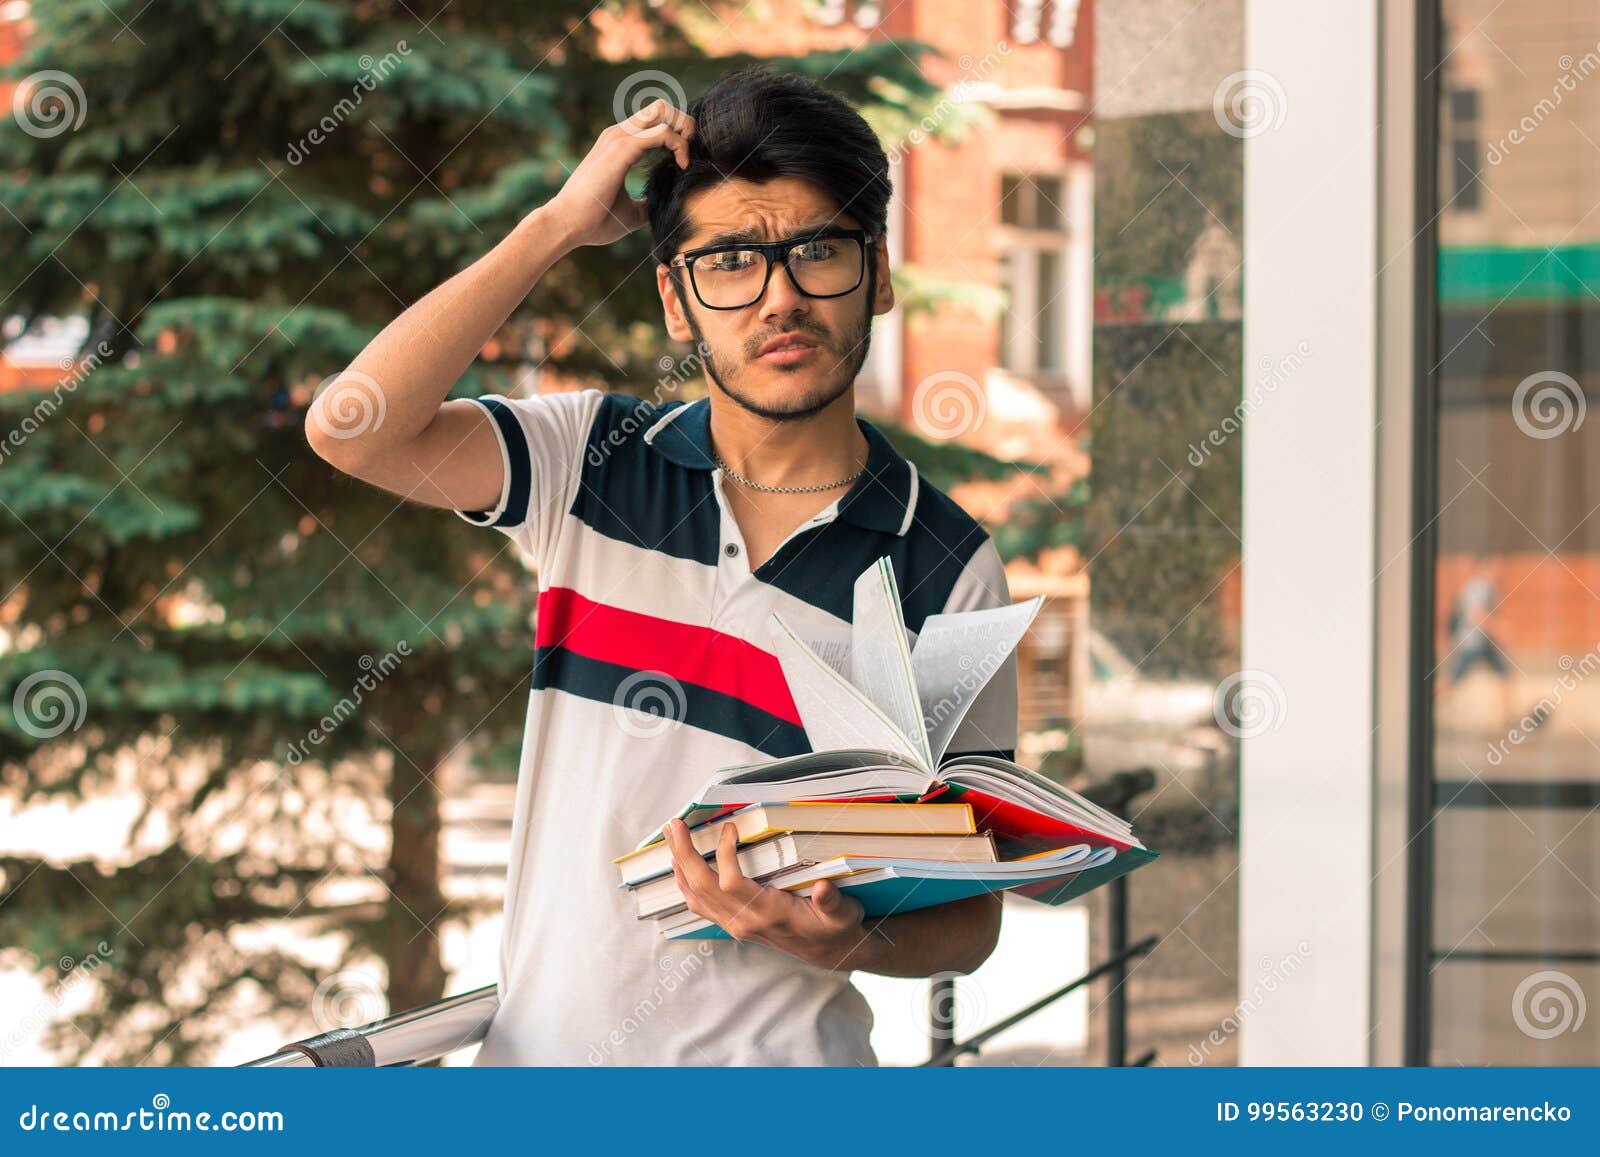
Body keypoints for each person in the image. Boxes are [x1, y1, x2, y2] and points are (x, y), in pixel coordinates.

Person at [306, 66, 1018, 1065]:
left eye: (818, 251)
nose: (779, 298)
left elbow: (968, 919)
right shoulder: (589, 462)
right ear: (678, 304)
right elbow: (350, 429)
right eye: (728, 262)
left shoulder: (950, 566)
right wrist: (554, 224)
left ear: (880, 274)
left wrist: (846, 935)